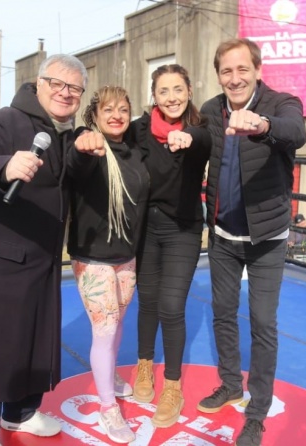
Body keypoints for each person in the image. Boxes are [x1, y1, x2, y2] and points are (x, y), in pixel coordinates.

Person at [0, 54, 87, 446]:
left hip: (40, 257)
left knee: (35, 338)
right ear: (38, 83)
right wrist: (4, 167)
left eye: (74, 88)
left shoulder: (63, 134)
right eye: (57, 83)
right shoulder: (4, 120)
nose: (65, 93)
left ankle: (21, 415)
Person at [197, 38, 306, 446]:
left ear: (257, 70)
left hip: (267, 238)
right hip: (224, 235)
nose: (235, 77)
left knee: (263, 322)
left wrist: (262, 126)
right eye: (227, 70)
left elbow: (296, 132)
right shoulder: (212, 110)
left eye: (242, 69)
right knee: (223, 313)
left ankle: (257, 411)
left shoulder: (281, 104)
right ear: (219, 75)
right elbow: (194, 138)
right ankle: (230, 385)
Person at [131, 63, 212, 428]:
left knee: (171, 304)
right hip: (147, 228)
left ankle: (173, 385)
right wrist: (86, 133)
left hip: (183, 228)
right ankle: (144, 365)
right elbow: (109, 129)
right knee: (147, 301)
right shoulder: (139, 131)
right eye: (163, 91)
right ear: (154, 96)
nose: (172, 97)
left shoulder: (199, 129)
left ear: (189, 90)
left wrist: (189, 139)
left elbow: (206, 143)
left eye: (178, 89)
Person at [68, 86, 149, 443]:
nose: (116, 114)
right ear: (95, 116)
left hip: (126, 255)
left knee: (117, 325)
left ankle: (111, 376)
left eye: (122, 108)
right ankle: (107, 407)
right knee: (105, 328)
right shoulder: (90, 147)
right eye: (108, 109)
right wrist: (83, 147)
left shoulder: (134, 152)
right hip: (92, 256)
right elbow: (74, 164)